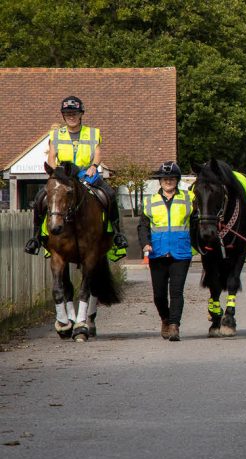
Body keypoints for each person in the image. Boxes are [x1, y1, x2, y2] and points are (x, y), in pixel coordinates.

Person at [25, 96, 128, 255]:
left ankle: (117, 233)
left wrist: (94, 166)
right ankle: (36, 237)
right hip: (63, 176)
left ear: (81, 114)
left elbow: (98, 153)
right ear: (63, 116)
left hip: (85, 175)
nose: (71, 116)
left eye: (74, 113)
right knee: (40, 198)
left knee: (109, 194)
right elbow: (51, 157)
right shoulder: (56, 135)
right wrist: (55, 173)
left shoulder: (93, 133)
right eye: (67, 114)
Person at [138, 161, 193, 342]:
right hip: (158, 253)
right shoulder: (149, 201)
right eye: (164, 178)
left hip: (180, 252)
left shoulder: (189, 198)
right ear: (160, 181)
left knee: (176, 292)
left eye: (171, 178)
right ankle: (165, 319)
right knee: (159, 295)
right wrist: (145, 243)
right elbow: (143, 227)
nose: (168, 181)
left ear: (177, 180)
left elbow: (199, 223)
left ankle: (174, 326)